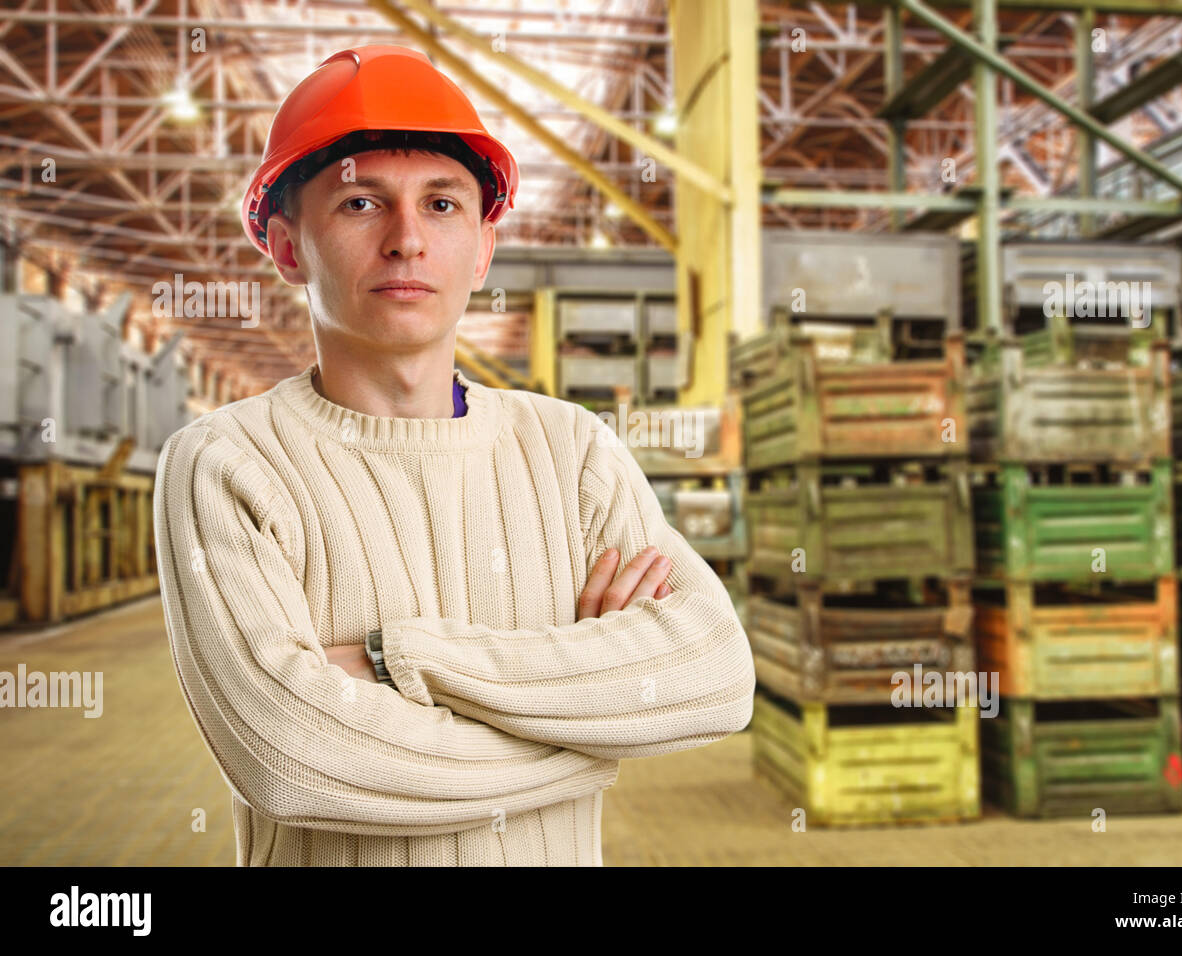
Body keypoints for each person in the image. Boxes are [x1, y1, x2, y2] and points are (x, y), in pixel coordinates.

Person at [152, 44, 755, 867]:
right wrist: (589, 734)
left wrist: (394, 659)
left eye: (441, 204)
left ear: (482, 249)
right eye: (361, 203)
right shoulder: (225, 464)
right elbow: (291, 758)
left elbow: (711, 674)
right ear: (288, 247)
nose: (407, 239)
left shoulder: (572, 451)